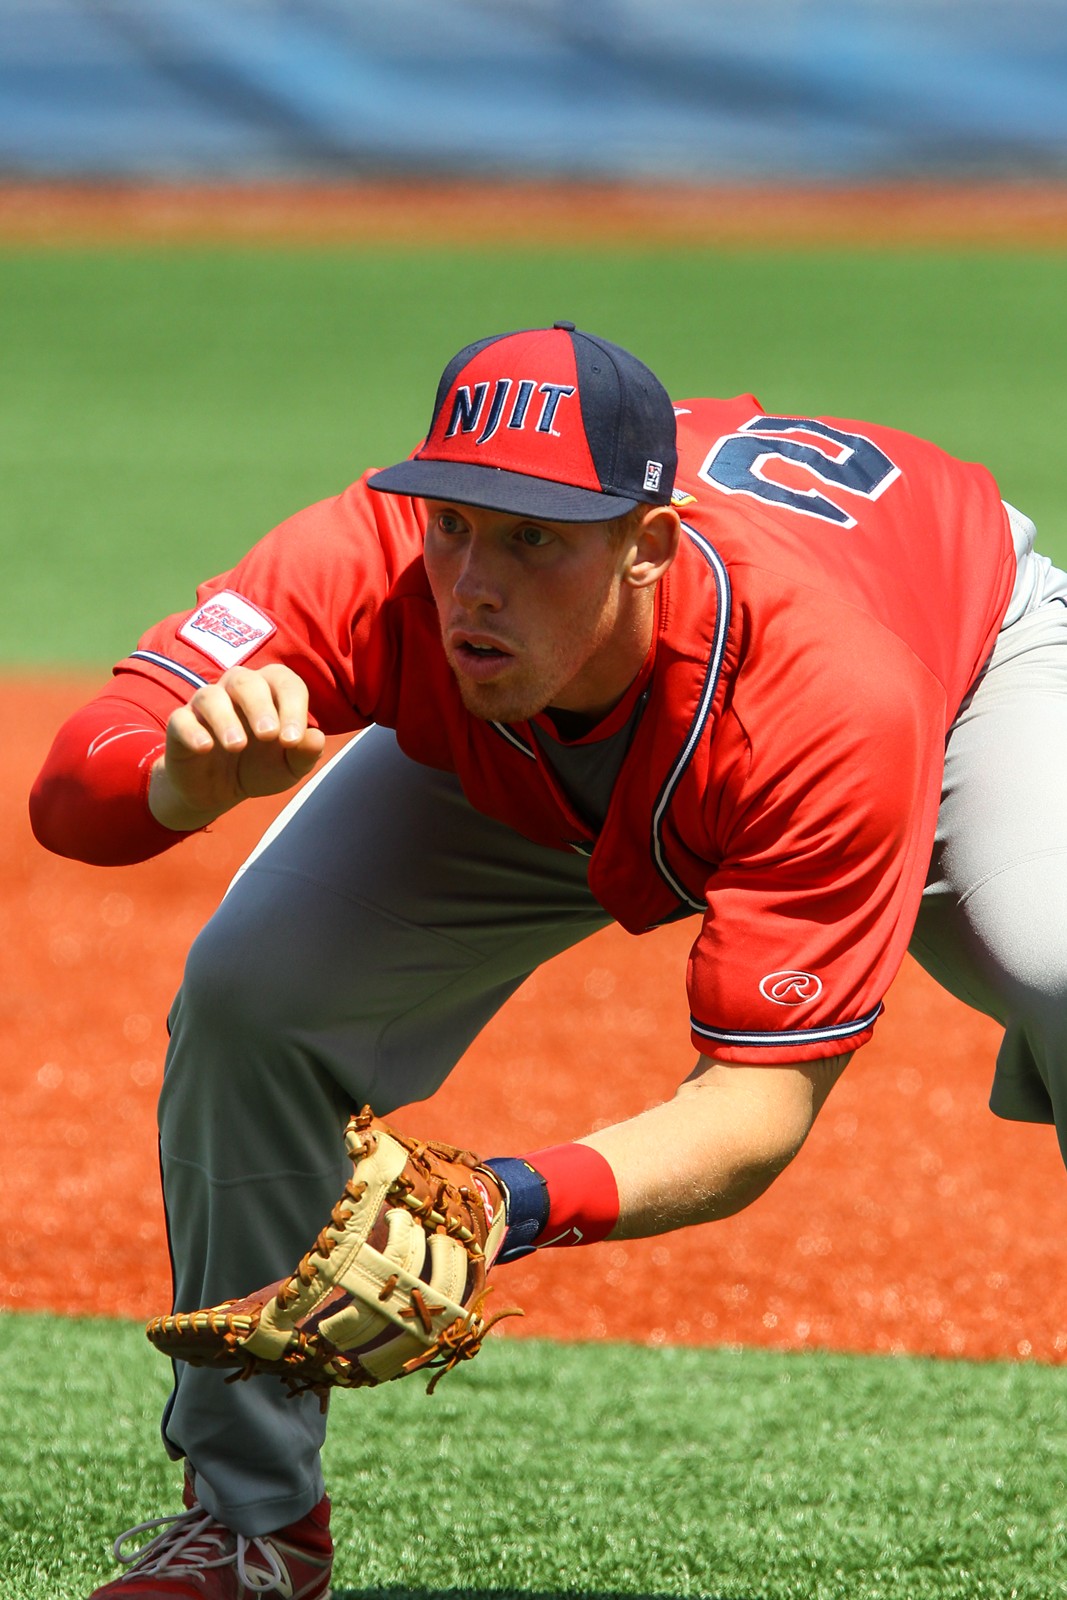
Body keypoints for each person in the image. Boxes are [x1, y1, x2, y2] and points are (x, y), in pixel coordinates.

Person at [31, 321, 1067, 1598]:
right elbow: (77, 787)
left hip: (952, 655)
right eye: (455, 518)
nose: (473, 577)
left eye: (534, 536)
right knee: (254, 992)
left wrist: (501, 1202)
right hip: (517, 745)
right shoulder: (373, 565)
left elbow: (751, 1107)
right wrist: (176, 779)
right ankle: (252, 1528)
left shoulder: (825, 691)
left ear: (647, 546)